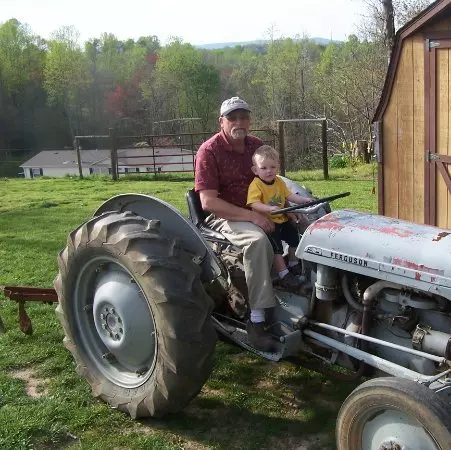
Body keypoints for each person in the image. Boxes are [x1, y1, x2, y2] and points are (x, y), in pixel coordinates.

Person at [194, 96, 276, 352]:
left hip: (256, 207)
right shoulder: (209, 151)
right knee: (257, 241)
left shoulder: (256, 145)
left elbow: (272, 180)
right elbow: (208, 202)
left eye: (244, 117)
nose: (239, 122)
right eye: (232, 117)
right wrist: (253, 217)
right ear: (221, 121)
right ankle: (257, 321)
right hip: (223, 217)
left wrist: (289, 208)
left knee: (307, 226)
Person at [247, 145, 311, 290]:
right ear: (255, 170)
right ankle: (283, 274)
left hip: (283, 219)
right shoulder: (256, 185)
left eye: (272, 167)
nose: (269, 171)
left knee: (295, 239)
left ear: (277, 167)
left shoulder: (279, 182)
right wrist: (269, 208)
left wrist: (304, 200)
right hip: (269, 223)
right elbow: (253, 203)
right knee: (276, 249)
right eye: (263, 168)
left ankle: (294, 265)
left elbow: (290, 195)